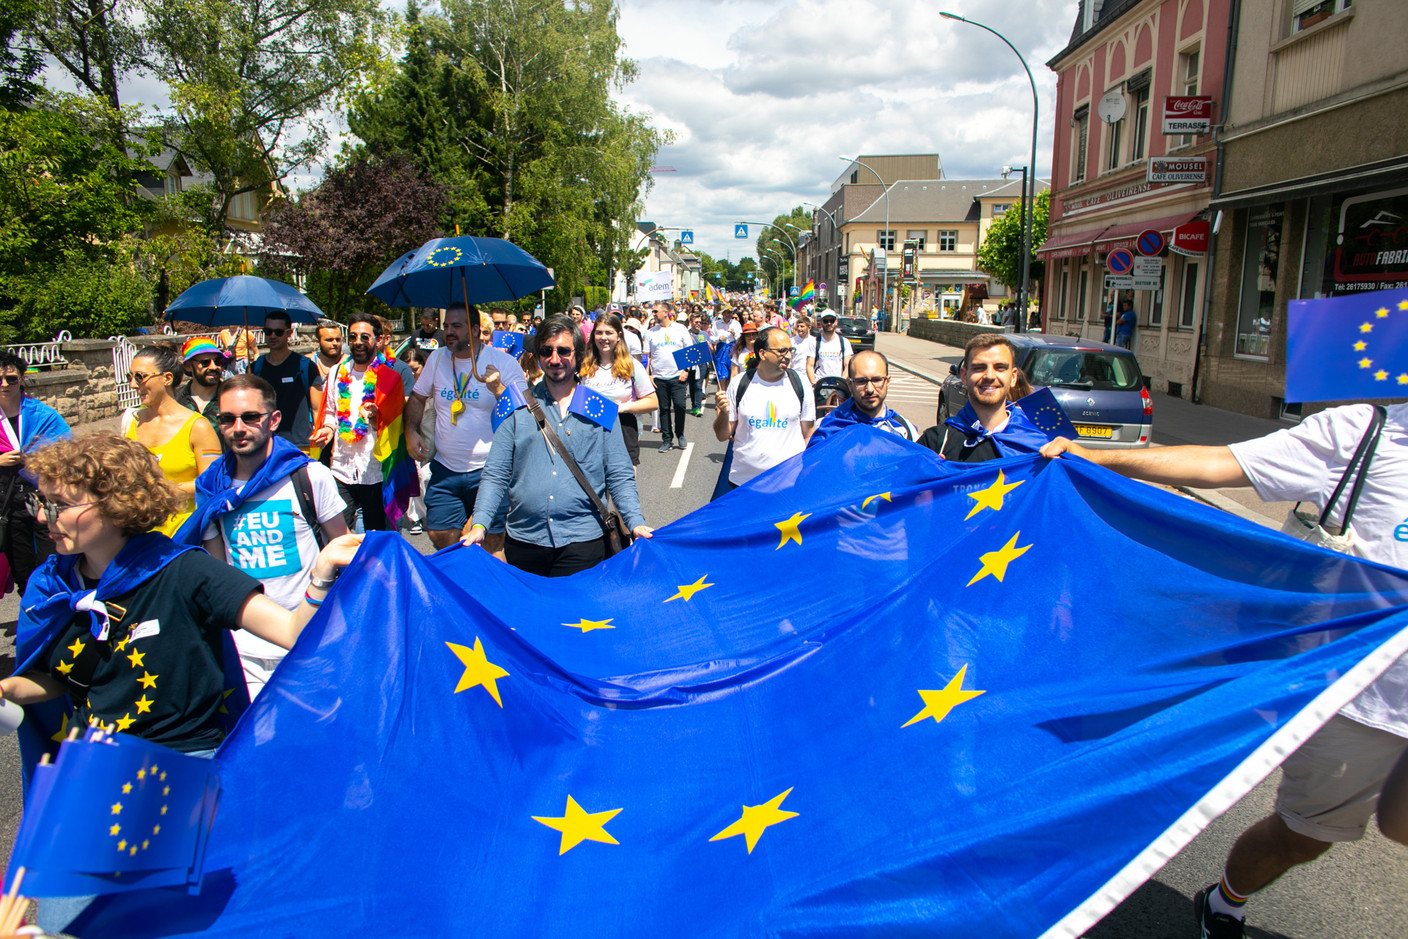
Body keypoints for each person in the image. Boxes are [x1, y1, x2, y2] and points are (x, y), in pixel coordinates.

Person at [1040, 401, 1408, 939]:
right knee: (1303, 838)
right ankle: (1226, 898)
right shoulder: (1364, 433)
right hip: (1356, 697)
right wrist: (1096, 456)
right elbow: (1218, 463)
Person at [181, 374, 348, 696]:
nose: (239, 428)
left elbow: (341, 547)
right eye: (228, 419)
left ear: (273, 420)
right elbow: (218, 572)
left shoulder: (310, 476)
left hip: (313, 635)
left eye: (250, 417)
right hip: (245, 647)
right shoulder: (211, 489)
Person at [465, 315, 651, 576]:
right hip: (524, 541)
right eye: (546, 351)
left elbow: (619, 475)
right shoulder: (515, 406)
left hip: (582, 542)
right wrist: (480, 523)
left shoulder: (600, 409)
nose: (555, 359)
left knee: (578, 617)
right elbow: (496, 473)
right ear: (538, 355)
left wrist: (635, 523)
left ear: (578, 354)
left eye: (563, 351)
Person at [403, 303, 526, 550]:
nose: (449, 331)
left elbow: (525, 415)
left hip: (491, 470)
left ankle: (482, 584)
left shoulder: (503, 363)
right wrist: (411, 431)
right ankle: (463, 575)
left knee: (491, 542)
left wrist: (499, 390)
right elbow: (417, 397)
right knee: (439, 533)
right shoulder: (437, 359)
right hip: (446, 468)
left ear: (476, 329)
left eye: (457, 326)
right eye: (446, 326)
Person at [309, 313, 407, 532]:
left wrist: (374, 419)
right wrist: (327, 429)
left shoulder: (389, 378)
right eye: (353, 337)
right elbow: (330, 412)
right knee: (337, 534)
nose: (358, 342)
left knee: (376, 536)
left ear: (378, 340)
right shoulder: (336, 373)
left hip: (374, 471)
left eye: (365, 337)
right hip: (341, 468)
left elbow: (395, 428)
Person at [122, 344, 221, 536]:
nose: (133, 385)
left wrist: (160, 490)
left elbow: (211, 483)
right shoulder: (131, 421)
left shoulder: (197, 427)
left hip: (184, 534)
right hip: (139, 533)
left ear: (167, 378)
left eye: (140, 377)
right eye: (130, 377)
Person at [0, 350, 71, 595]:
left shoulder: (41, 414)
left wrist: (34, 460)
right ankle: (31, 615)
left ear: (21, 379)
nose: (5, 384)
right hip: (7, 505)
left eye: (11, 378)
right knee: (21, 568)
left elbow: (66, 451)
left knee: (49, 562)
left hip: (42, 498)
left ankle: (52, 615)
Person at [916, 335, 1049, 462]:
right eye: (979, 368)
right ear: (964, 376)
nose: (989, 376)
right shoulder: (936, 442)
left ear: (1013, 377)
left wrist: (1069, 451)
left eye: (1000, 368)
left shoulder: (1039, 444)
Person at [713, 326, 815, 490]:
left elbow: (808, 435)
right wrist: (724, 414)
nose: (788, 356)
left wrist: (805, 474)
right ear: (762, 353)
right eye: (782, 351)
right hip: (743, 483)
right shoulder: (740, 383)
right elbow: (722, 435)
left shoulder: (801, 383)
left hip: (788, 483)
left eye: (790, 350)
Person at [580, 313, 658, 466]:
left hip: (623, 428)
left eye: (609, 332)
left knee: (623, 486)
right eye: (599, 332)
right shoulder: (582, 364)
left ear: (618, 335)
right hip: (589, 429)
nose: (604, 337)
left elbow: (652, 402)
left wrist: (620, 408)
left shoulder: (631, 365)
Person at [808, 350, 918, 447]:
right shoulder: (830, 429)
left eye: (876, 380)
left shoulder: (903, 430)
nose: (870, 389)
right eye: (861, 381)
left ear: (887, 381)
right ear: (850, 384)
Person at [250, 311, 323, 451]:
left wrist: (318, 440)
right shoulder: (255, 368)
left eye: (278, 332)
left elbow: (317, 409)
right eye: (268, 331)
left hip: (300, 444)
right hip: (265, 444)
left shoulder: (306, 366)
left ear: (289, 333)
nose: (272, 336)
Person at [645, 301, 694, 452]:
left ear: (666, 312)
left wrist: (686, 370)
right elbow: (647, 356)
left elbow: (689, 351)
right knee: (664, 409)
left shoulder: (680, 329)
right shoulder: (651, 332)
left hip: (678, 376)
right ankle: (667, 439)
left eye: (656, 311)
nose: (653, 314)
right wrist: (648, 375)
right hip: (659, 377)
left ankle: (680, 434)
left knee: (680, 406)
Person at [175, 336, 230, 430]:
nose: (213, 367)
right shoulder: (176, 400)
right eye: (205, 362)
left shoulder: (232, 396)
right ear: (188, 366)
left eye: (218, 361)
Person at [804, 312, 853, 383]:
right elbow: (809, 365)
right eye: (826, 321)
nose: (829, 323)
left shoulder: (844, 342)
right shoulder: (814, 342)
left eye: (832, 321)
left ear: (836, 322)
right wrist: (813, 382)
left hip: (838, 385)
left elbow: (847, 366)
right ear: (821, 322)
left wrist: (842, 381)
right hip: (820, 384)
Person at [375, 315, 417, 400]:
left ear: (386, 339)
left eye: (376, 336)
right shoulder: (357, 366)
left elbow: (407, 404)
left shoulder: (401, 369)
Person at [686, 312, 711, 416]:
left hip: (702, 363)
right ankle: (693, 405)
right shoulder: (687, 334)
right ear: (691, 322)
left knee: (698, 384)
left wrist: (709, 346)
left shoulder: (704, 334)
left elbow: (711, 350)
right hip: (690, 363)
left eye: (700, 322)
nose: (699, 324)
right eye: (696, 322)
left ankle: (698, 407)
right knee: (691, 385)